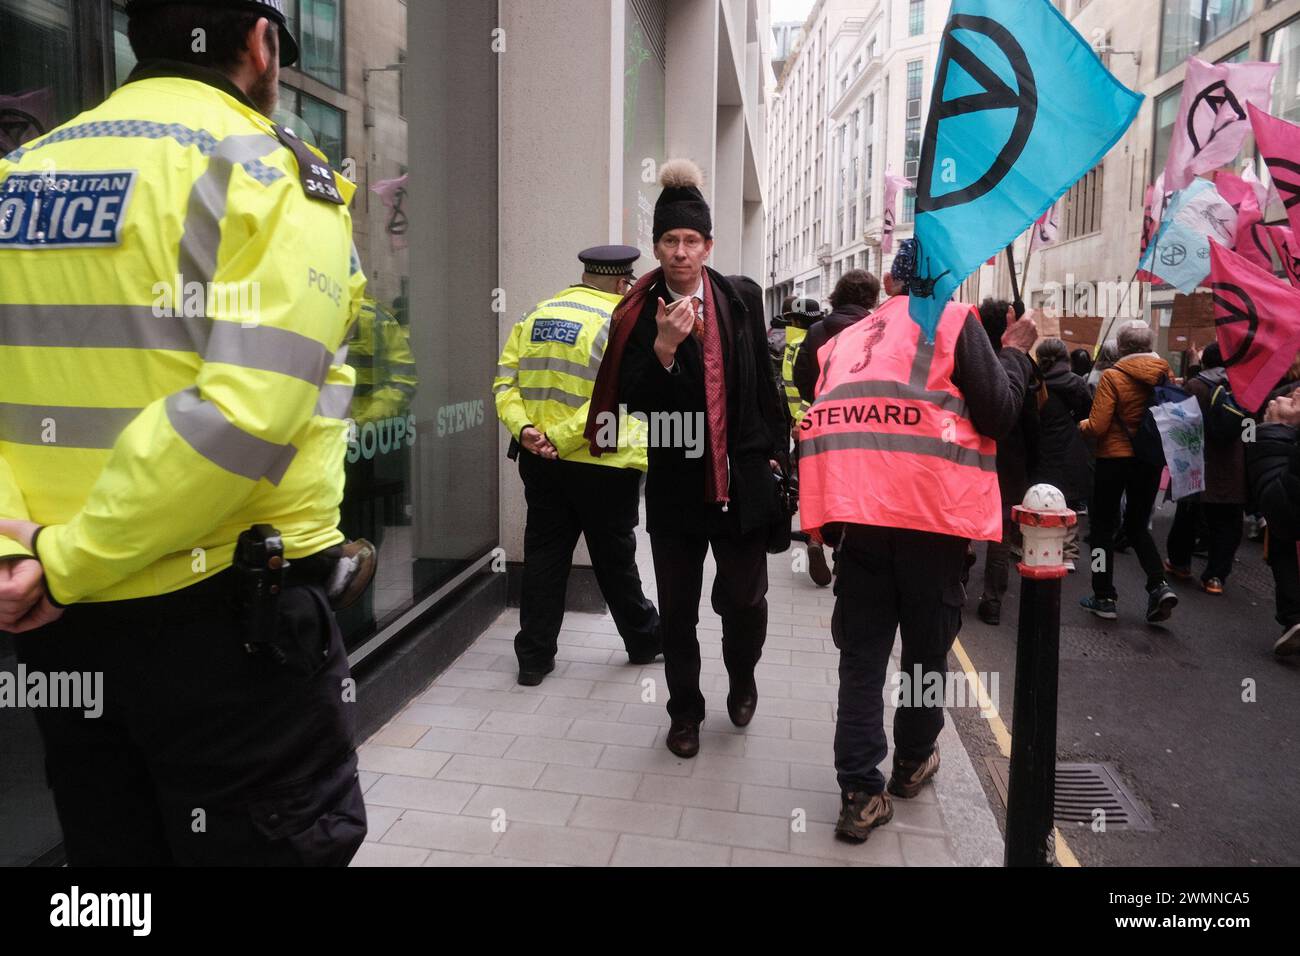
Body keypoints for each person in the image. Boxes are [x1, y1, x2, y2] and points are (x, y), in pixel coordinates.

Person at [0, 0, 368, 865]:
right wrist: (68, 559)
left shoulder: (21, 173)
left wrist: (22, 557)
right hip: (226, 629)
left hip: (58, 621)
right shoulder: (270, 171)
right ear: (261, 42)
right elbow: (248, 416)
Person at [797, 265, 1037, 843]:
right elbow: (1000, 413)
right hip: (934, 519)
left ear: (887, 280)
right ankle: (911, 763)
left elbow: (823, 400)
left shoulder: (847, 340)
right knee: (927, 655)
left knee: (861, 657)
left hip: (861, 517)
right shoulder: (955, 321)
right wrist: (1016, 355)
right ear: (949, 281)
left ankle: (859, 792)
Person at [585, 159, 788, 759]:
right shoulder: (634, 314)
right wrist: (666, 350)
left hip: (743, 477)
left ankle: (743, 674)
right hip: (677, 481)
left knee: (745, 602)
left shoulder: (741, 298)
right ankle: (684, 713)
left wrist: (778, 456)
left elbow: (768, 385)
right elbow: (627, 402)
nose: (679, 252)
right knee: (677, 610)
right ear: (655, 247)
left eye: (690, 241)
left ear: (708, 245)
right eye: (669, 241)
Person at [492, 246, 662, 684]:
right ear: (624, 281)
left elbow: (504, 383)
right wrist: (560, 439)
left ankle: (533, 659)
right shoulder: (624, 322)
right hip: (603, 461)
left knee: (545, 556)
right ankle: (644, 640)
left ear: (586, 275)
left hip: (540, 460)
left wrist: (527, 430)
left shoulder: (535, 314)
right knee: (614, 558)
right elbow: (619, 396)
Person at [1078, 322, 1178, 623]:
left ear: (1121, 347)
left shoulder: (1112, 376)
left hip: (1113, 459)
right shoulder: (1164, 373)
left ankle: (1103, 595)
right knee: (1136, 526)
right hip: (1149, 459)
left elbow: (1097, 426)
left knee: (1102, 529)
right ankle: (1158, 584)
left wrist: (1080, 425)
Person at [976, 298, 1040, 626]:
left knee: (963, 519)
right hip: (1009, 460)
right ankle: (992, 600)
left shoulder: (969, 357)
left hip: (972, 455)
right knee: (1000, 533)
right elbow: (1031, 421)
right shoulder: (1021, 366)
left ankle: (957, 578)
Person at [1164, 343, 1245, 595]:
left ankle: (1180, 564)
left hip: (1196, 463)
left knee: (1187, 516)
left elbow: (1180, 423)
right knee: (1227, 524)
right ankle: (1215, 578)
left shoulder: (1195, 386)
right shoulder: (1242, 388)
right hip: (1232, 467)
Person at [778, 296, 832, 586]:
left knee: (810, 486)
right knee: (835, 484)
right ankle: (835, 540)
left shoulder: (789, 347)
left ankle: (814, 536)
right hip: (827, 424)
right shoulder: (820, 344)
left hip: (801, 428)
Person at [1031, 337, 1093, 571]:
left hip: (1042, 447)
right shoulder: (1076, 383)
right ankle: (1068, 553)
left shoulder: (1036, 383)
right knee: (1067, 502)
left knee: (1041, 501)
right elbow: (1088, 414)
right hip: (1070, 447)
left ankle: (1042, 548)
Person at [1247, 388, 1300, 659]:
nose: (1294, 395)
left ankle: (1292, 619)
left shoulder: (1269, 437)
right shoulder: (1271, 440)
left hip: (1281, 514)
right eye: (1291, 399)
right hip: (1284, 505)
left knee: (1283, 553)